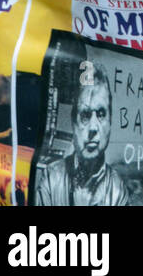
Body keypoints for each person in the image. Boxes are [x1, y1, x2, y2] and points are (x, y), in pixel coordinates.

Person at [34, 66, 130, 207]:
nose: (93, 127)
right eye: (85, 115)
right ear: (73, 122)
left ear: (110, 121)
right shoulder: (51, 178)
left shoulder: (118, 190)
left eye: (101, 114)